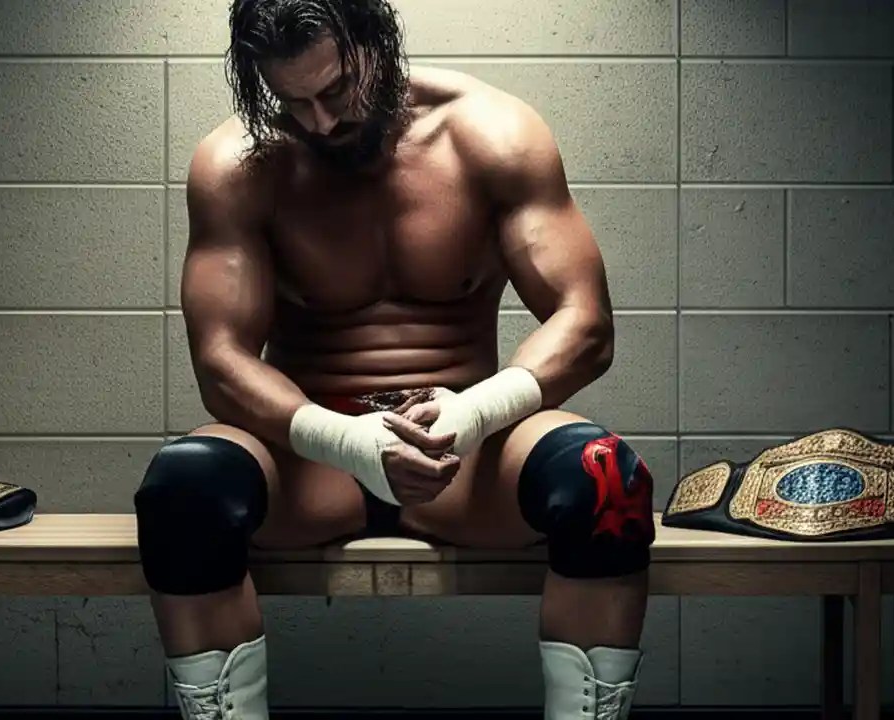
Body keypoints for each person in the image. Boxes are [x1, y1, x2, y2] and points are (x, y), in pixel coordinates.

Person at [133, 1, 656, 718]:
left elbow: (586, 322)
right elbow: (221, 361)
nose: (319, 122)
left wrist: (472, 415)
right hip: (313, 459)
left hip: (460, 460)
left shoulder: (491, 134)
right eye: (292, 101)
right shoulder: (238, 164)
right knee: (182, 490)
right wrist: (348, 440)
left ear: (376, 44)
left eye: (335, 90)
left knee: (606, 481)